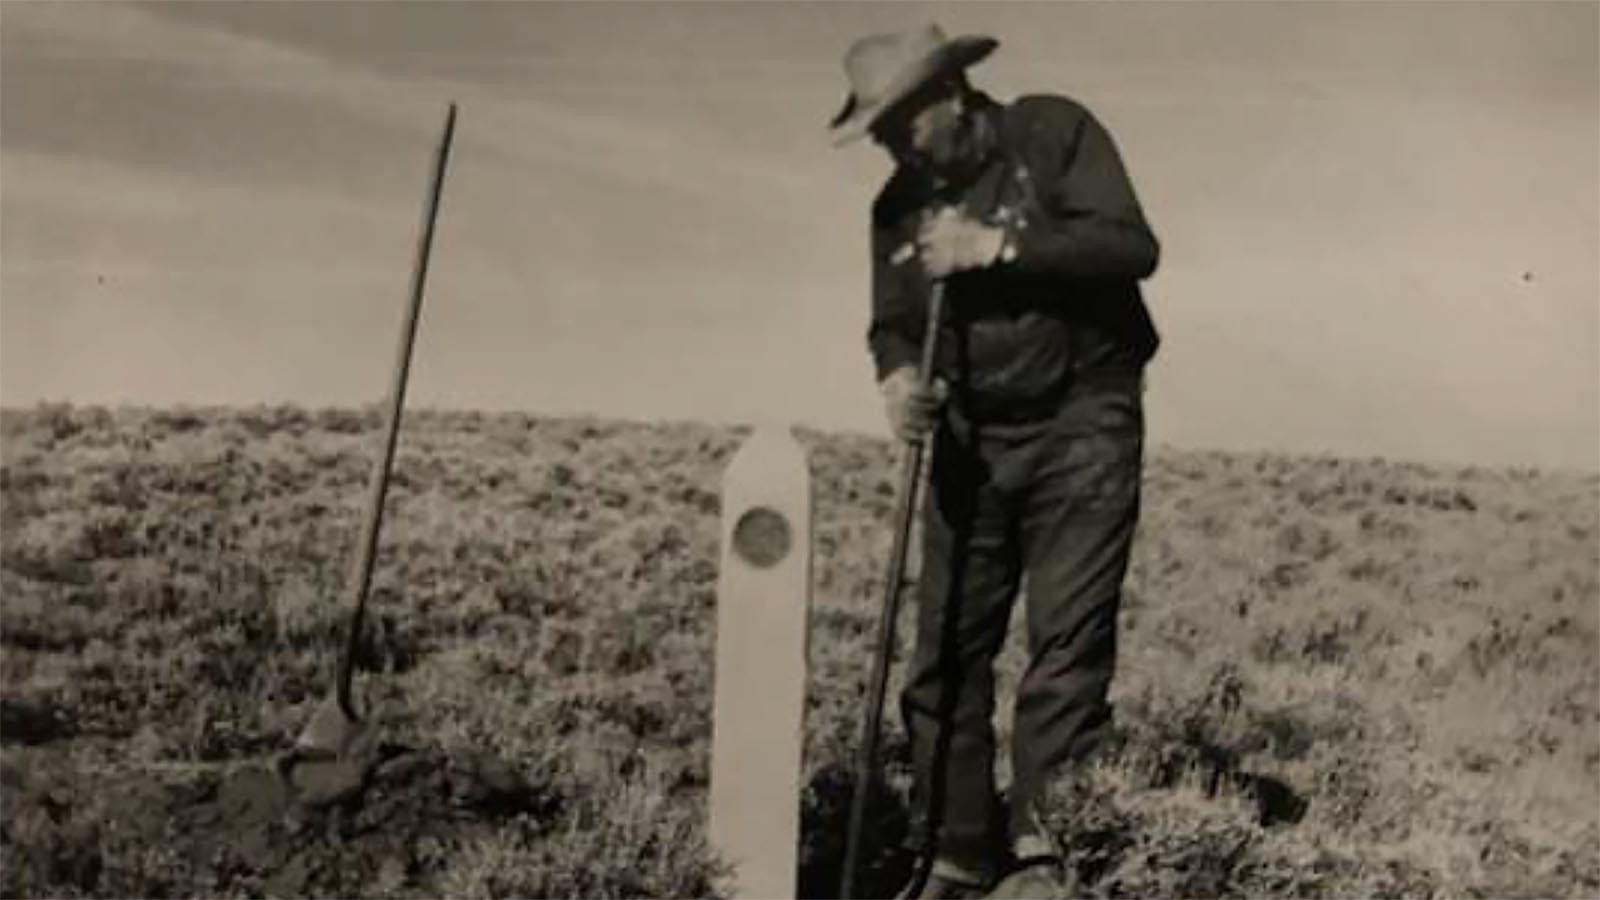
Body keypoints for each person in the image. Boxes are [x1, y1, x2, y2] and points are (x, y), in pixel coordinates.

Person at [829, 23, 1162, 899]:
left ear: (950, 96)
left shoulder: (1052, 134)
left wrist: (997, 248)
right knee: (943, 653)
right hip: (971, 438)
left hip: (1083, 420)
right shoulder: (896, 210)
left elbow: (1133, 247)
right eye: (882, 133)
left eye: (903, 124)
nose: (893, 145)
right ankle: (957, 850)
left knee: (1065, 646)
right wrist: (901, 381)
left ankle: (1044, 854)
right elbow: (892, 326)